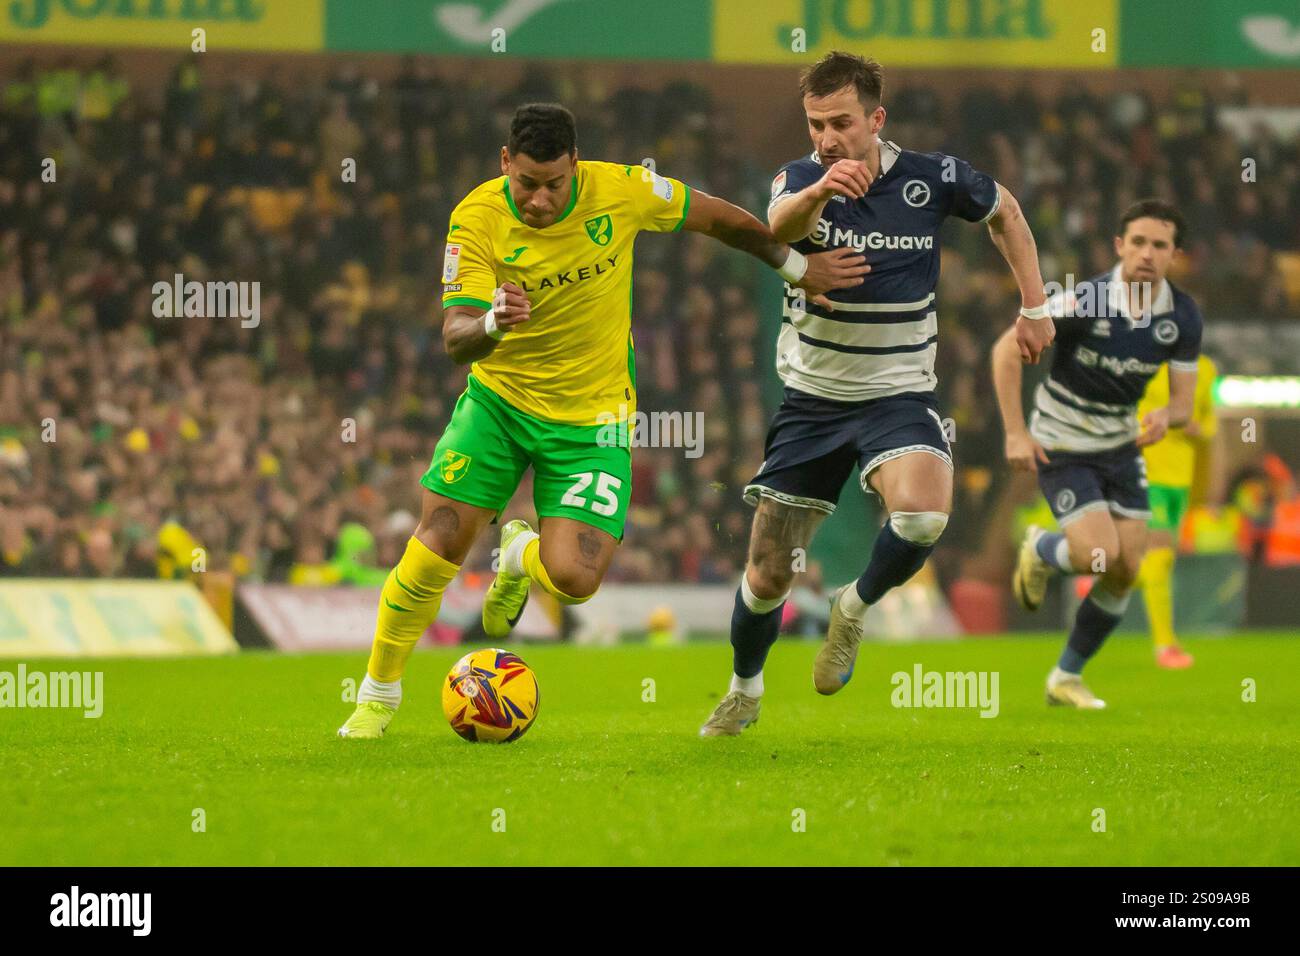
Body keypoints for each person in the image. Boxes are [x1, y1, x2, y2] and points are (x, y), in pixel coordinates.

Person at [339, 102, 868, 739]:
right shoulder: (476, 217)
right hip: (499, 402)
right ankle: (378, 692)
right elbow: (456, 337)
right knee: (440, 537)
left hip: (594, 420)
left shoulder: (622, 190)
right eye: (525, 183)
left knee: (575, 579)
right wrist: (489, 322)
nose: (537, 199)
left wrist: (797, 267)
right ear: (505, 163)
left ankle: (518, 555)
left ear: (576, 168)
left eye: (553, 184)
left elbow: (723, 221)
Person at [700, 51, 1052, 736]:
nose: (826, 138)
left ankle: (853, 609)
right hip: (811, 400)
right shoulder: (802, 178)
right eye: (815, 124)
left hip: (898, 393)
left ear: (876, 119)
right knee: (769, 573)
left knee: (923, 516)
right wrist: (823, 192)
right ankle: (744, 689)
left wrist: (1034, 306)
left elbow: (1005, 211)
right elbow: (777, 227)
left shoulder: (933, 177)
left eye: (841, 123)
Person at [993, 199, 1203, 709]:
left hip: (1120, 447)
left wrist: (1166, 418)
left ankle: (1065, 677)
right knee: (1097, 555)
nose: (1147, 254)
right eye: (1138, 242)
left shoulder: (1182, 316)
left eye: (1159, 245)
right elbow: (1006, 349)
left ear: (1175, 253)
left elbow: (1182, 404)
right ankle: (1041, 549)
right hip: (1064, 445)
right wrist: (1016, 434)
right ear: (1119, 246)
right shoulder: (1083, 301)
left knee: (1128, 566)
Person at [1135, 354, 1218, 668]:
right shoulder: (1144, 360)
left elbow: (1210, 418)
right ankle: (1165, 645)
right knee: (1160, 554)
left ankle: (1109, 575)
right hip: (1148, 467)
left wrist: (1201, 429)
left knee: (1162, 561)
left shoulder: (1206, 369)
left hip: (1182, 476)